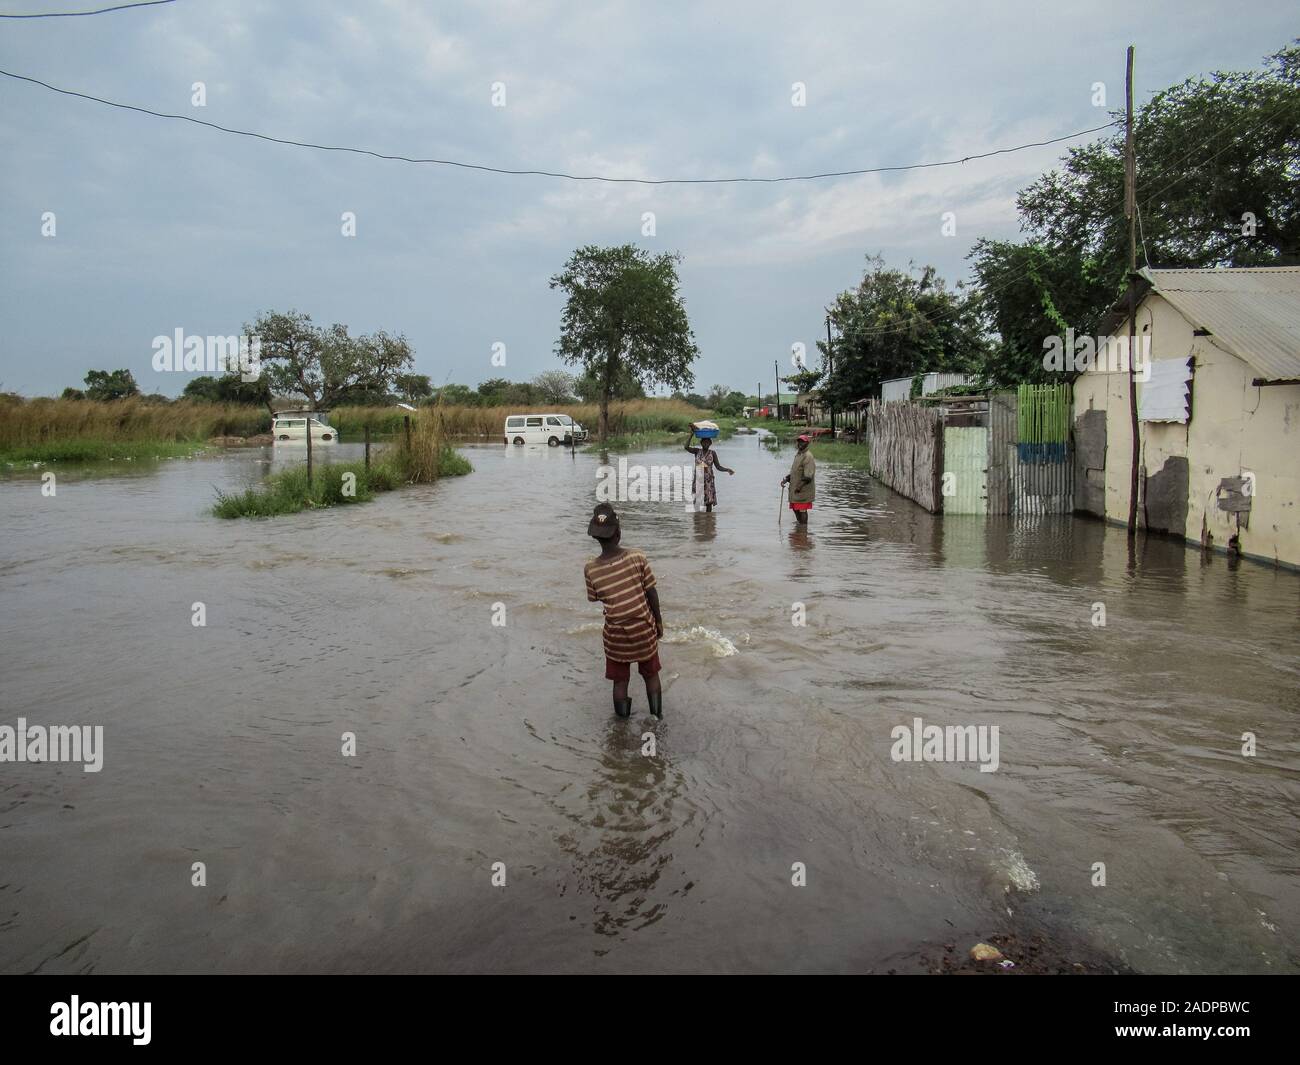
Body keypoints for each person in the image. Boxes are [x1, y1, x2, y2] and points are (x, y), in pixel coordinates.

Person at [583, 503, 664, 719]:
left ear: (596, 537)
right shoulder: (637, 557)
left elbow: (596, 598)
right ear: (618, 533)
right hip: (643, 629)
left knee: (620, 681)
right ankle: (656, 718)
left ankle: (621, 726)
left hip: (615, 635)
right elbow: (652, 593)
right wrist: (658, 623)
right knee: (651, 675)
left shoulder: (590, 569)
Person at [683, 427, 734, 512]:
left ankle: (709, 519)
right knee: (697, 501)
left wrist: (727, 470)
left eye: (707, 442)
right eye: (704, 442)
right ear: (701, 443)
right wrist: (691, 435)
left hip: (708, 480)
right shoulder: (697, 451)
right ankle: (697, 520)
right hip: (698, 480)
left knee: (709, 502)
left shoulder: (712, 453)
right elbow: (686, 447)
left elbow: (718, 467)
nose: (706, 444)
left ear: (710, 443)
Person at [782, 434, 816, 523]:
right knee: (795, 508)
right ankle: (800, 528)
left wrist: (799, 487)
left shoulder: (808, 456)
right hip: (795, 488)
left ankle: (803, 529)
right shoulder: (799, 454)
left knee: (802, 509)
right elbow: (795, 471)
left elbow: (808, 476)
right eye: (799, 441)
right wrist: (786, 479)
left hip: (802, 489)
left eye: (802, 442)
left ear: (807, 443)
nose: (800, 443)